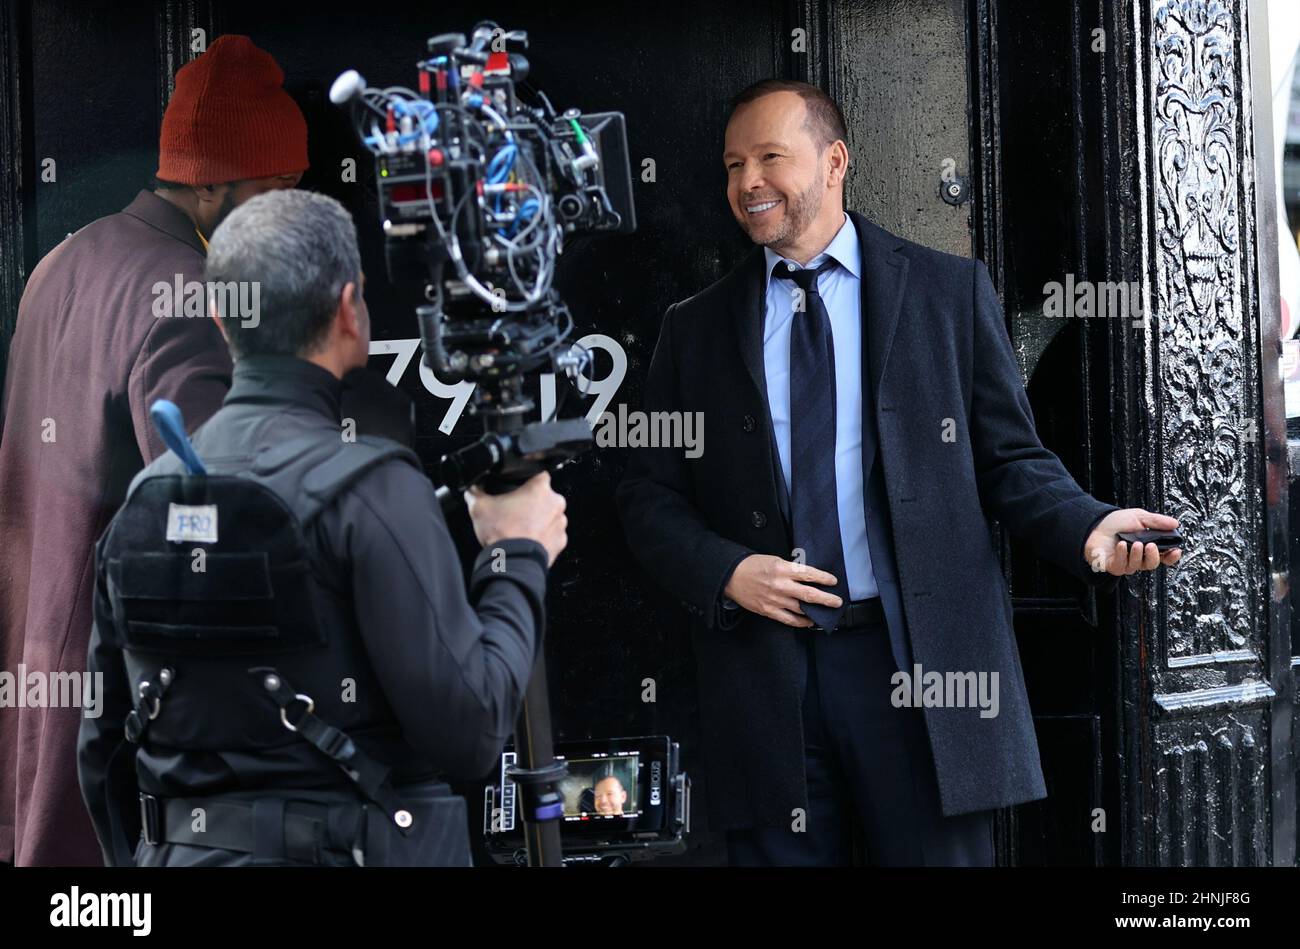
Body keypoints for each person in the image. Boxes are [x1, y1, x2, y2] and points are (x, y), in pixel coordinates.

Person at [615, 79, 1183, 866]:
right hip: (765, 682)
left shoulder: (947, 293)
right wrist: (727, 572)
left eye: (770, 157)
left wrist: (1087, 524)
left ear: (834, 159)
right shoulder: (695, 328)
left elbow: (1011, 460)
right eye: (733, 164)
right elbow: (648, 497)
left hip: (920, 675)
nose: (747, 182)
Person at [77, 189, 567, 866]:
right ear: (349, 309)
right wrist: (518, 554)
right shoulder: (374, 488)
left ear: (221, 318)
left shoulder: (143, 498)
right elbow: (471, 731)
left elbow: (101, 752)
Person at [0, 34, 308, 866]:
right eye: (276, 191)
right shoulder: (191, 293)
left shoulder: (59, 264)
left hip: (36, 693)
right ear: (210, 182)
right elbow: (213, 518)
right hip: (123, 730)